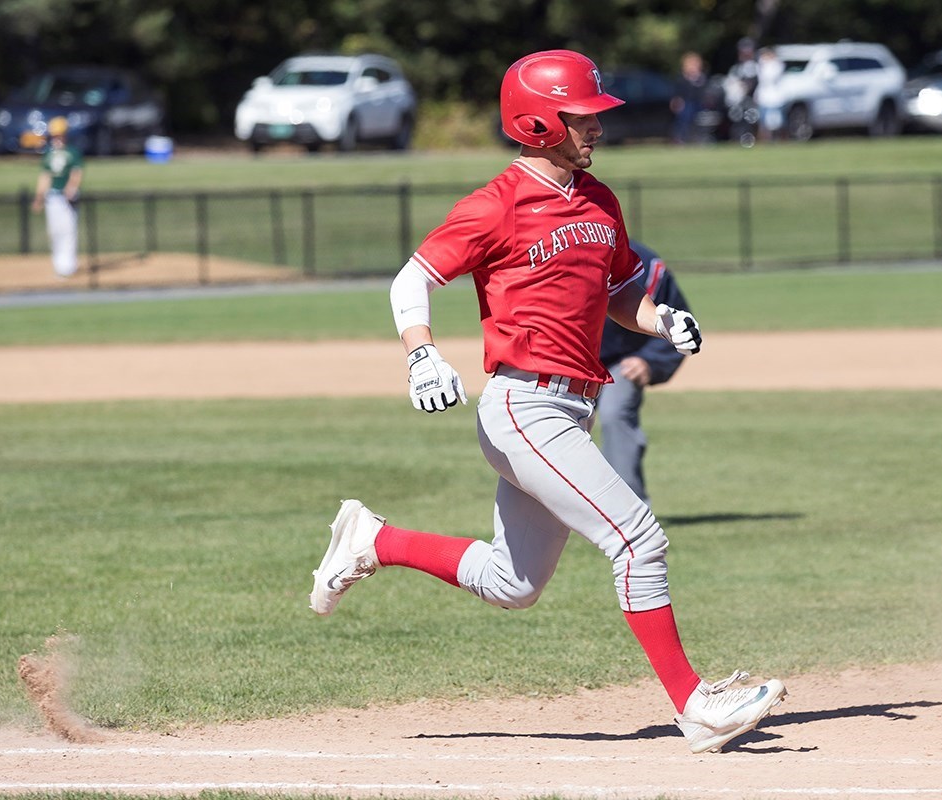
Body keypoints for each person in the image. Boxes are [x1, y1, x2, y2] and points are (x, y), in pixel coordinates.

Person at [309, 49, 786, 755]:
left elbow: (619, 289)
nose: (593, 127)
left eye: (593, 116)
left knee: (514, 583)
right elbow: (410, 282)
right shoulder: (496, 203)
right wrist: (421, 354)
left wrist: (659, 320)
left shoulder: (600, 200)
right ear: (535, 122)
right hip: (522, 407)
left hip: (570, 410)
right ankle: (696, 707)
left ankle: (373, 540)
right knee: (637, 540)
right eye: (579, 117)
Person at [598, 239, 691, 505]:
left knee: (615, 413)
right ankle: (557, 517)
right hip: (566, 360)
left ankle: (628, 509)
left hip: (621, 363)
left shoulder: (645, 263)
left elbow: (676, 319)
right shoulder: (555, 251)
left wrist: (649, 361)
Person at [31, 116, 84, 278]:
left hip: (66, 197)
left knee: (68, 230)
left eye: (59, 134)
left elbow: (76, 173)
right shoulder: (49, 153)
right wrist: (39, 197)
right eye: (54, 135)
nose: (57, 138)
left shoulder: (72, 152)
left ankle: (68, 266)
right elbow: (45, 176)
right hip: (52, 196)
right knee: (54, 231)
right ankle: (58, 265)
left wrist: (71, 188)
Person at [669, 51, 709, 144]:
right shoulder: (682, 78)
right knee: (685, 113)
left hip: (699, 103)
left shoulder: (701, 78)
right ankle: (681, 138)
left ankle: (698, 137)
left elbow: (704, 93)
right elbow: (677, 93)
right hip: (686, 103)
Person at [754, 47, 786, 142]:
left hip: (775, 98)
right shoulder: (761, 66)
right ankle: (765, 140)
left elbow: (771, 77)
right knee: (763, 122)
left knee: (778, 122)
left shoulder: (776, 65)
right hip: (764, 97)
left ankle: (781, 140)